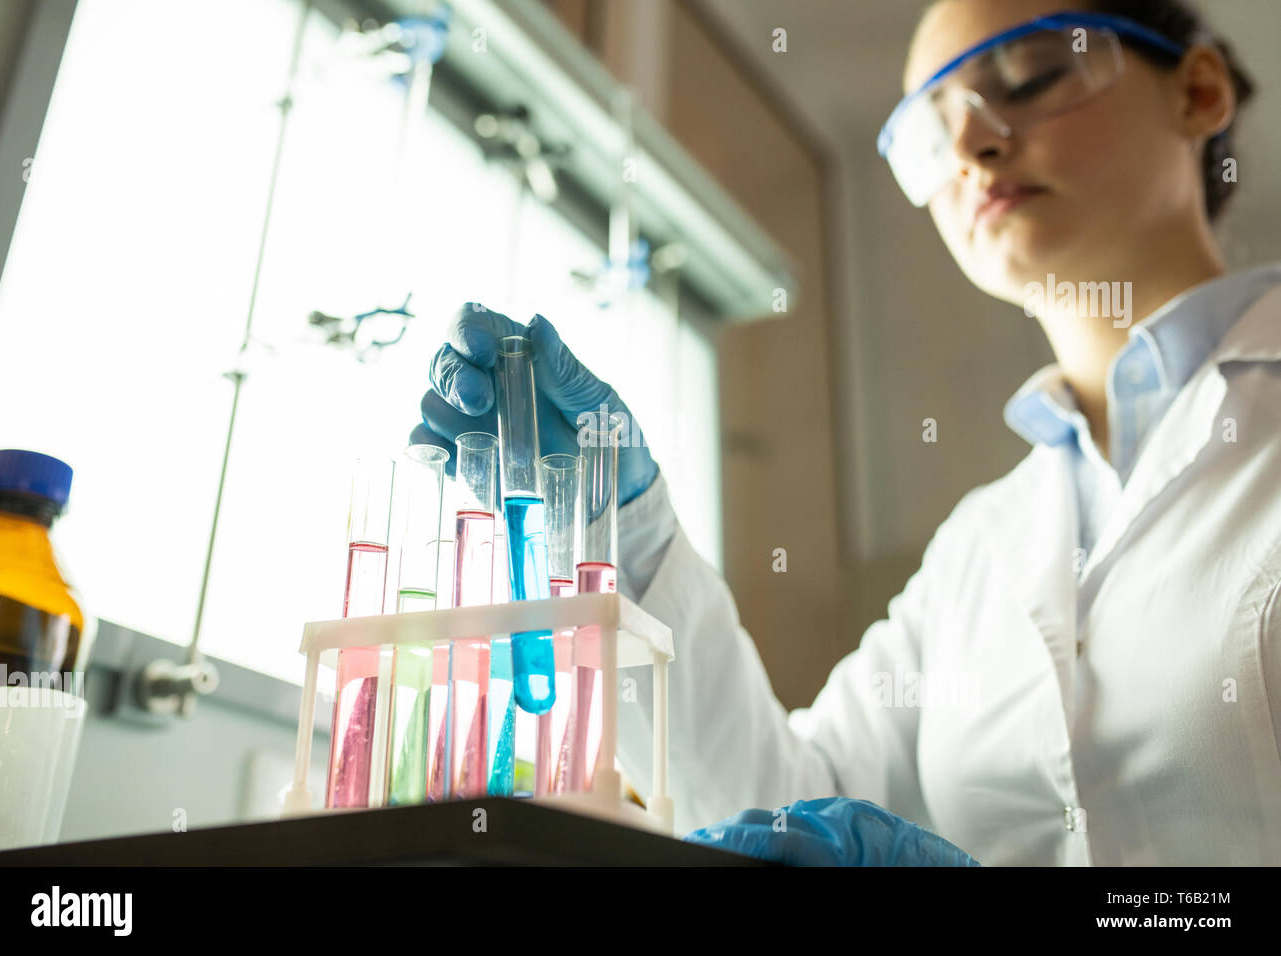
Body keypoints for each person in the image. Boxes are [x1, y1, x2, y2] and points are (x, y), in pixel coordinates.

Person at [412, 0, 1281, 866]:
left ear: (1198, 93)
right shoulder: (981, 544)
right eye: (933, 135)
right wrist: (616, 532)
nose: (974, 147)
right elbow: (775, 806)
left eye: (1031, 78)